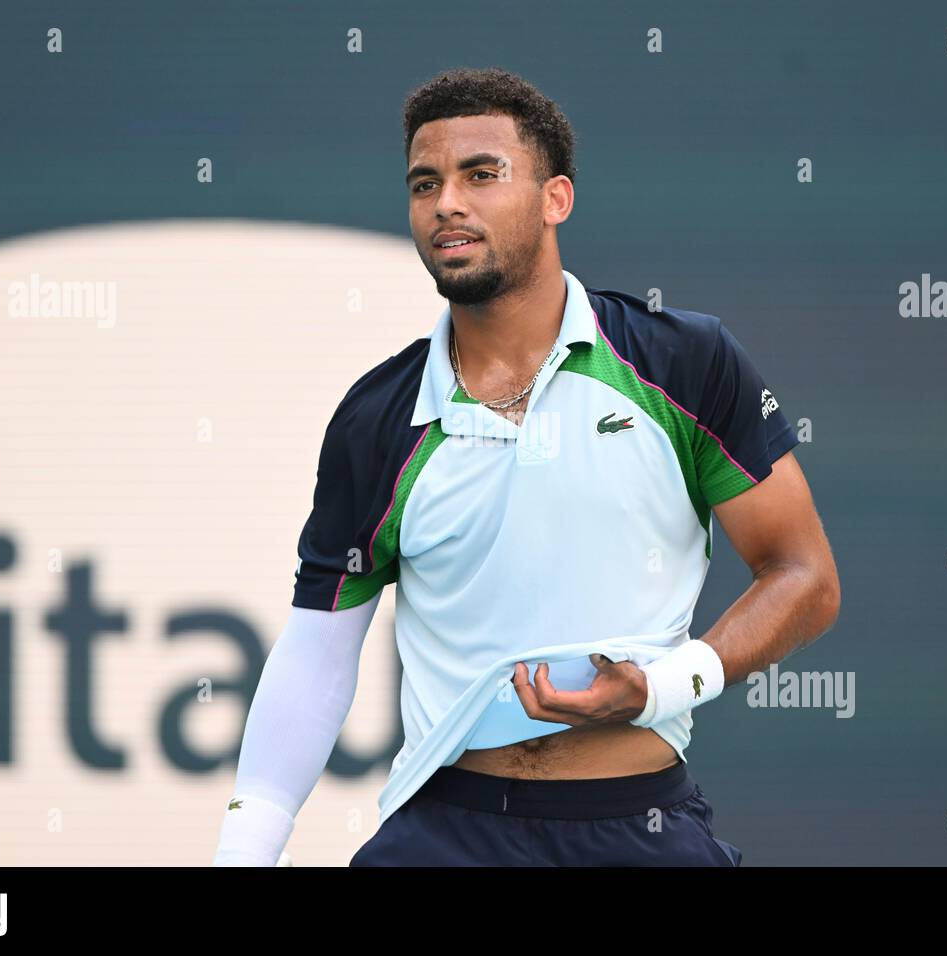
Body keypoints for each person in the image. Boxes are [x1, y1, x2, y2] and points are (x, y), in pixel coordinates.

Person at [213, 67, 840, 867]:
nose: (447, 202)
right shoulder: (377, 418)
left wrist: (663, 686)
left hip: (642, 826)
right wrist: (245, 850)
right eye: (425, 183)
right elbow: (318, 652)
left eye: (482, 174)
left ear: (557, 199)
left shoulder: (685, 363)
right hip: (445, 832)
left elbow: (805, 576)